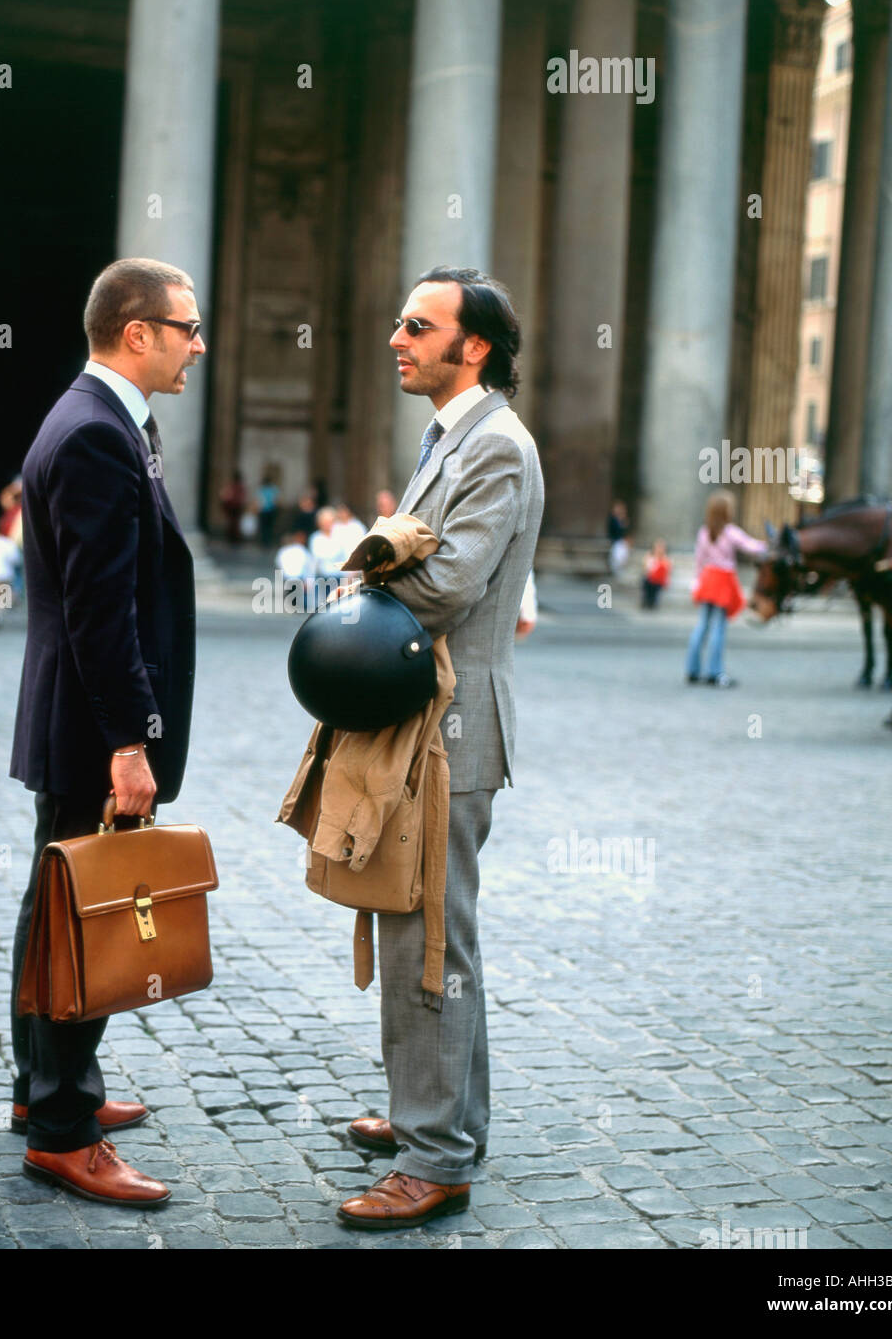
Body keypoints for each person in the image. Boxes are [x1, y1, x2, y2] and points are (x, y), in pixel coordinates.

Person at [337, 265, 543, 1231]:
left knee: (426, 941)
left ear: (476, 347)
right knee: (431, 934)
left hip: (451, 734)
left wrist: (357, 584)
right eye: (398, 319)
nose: (396, 338)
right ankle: (441, 1122)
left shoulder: (494, 445)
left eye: (418, 326)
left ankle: (435, 1160)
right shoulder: (455, 436)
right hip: (429, 724)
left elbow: (445, 583)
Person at [8, 257, 203, 1208]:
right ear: (139, 332)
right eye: (187, 329)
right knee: (84, 918)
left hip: (76, 714)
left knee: (55, 909)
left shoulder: (101, 418)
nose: (197, 346)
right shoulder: (95, 433)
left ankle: (40, 1090)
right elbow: (99, 608)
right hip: (94, 725)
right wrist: (131, 741)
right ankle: (63, 1129)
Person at [687, 490, 765, 688]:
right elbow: (751, 546)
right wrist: (771, 544)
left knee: (702, 625)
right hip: (723, 580)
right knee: (719, 628)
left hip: (708, 578)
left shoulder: (705, 532)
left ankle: (693, 670)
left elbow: (699, 560)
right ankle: (715, 673)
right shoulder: (730, 532)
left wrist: (697, 581)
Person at [641, 537, 671, 609]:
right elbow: (645, 569)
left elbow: (667, 571)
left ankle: (652, 601)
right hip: (650, 578)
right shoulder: (649, 556)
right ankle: (647, 600)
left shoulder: (665, 559)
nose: (659, 549)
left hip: (659, 580)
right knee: (647, 581)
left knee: (655, 584)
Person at [219, 469, 246, 544]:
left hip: (231, 506)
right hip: (237, 506)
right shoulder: (240, 487)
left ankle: (231, 538)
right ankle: (234, 538)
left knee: (231, 522)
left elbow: (225, 495)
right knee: (235, 522)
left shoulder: (232, 486)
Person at [256, 469, 281, 548]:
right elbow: (276, 499)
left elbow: (258, 500)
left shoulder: (261, 489)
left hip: (263, 511)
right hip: (271, 510)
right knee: (269, 527)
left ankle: (264, 541)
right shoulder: (274, 489)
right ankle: (268, 541)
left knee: (264, 527)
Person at [607, 498, 631, 577]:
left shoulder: (623, 519)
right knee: (617, 556)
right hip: (615, 540)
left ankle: (620, 571)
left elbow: (625, 531)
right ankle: (615, 571)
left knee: (623, 554)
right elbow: (614, 531)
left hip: (621, 541)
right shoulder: (613, 519)